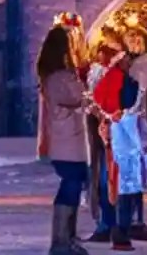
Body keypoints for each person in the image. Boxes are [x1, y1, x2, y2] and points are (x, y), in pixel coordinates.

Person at [92, 41, 147, 251]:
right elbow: (118, 106)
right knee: (123, 186)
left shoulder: (115, 79)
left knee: (118, 184)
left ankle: (117, 229)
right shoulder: (119, 80)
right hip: (123, 137)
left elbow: (101, 103)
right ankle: (121, 233)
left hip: (120, 136)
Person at [37, 26, 92, 255]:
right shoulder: (60, 77)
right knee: (70, 185)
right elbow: (77, 96)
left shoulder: (56, 76)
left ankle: (67, 237)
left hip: (69, 141)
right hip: (67, 143)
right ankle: (61, 240)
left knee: (73, 185)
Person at [119, 29, 147, 242]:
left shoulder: (141, 69)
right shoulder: (125, 74)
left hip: (136, 131)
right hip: (127, 132)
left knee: (136, 181)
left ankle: (133, 222)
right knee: (129, 181)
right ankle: (127, 225)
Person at [85, 35, 123, 243]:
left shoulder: (115, 76)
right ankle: (108, 223)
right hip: (101, 136)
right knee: (104, 182)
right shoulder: (100, 74)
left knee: (108, 181)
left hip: (111, 136)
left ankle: (110, 225)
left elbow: (109, 104)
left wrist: (101, 113)